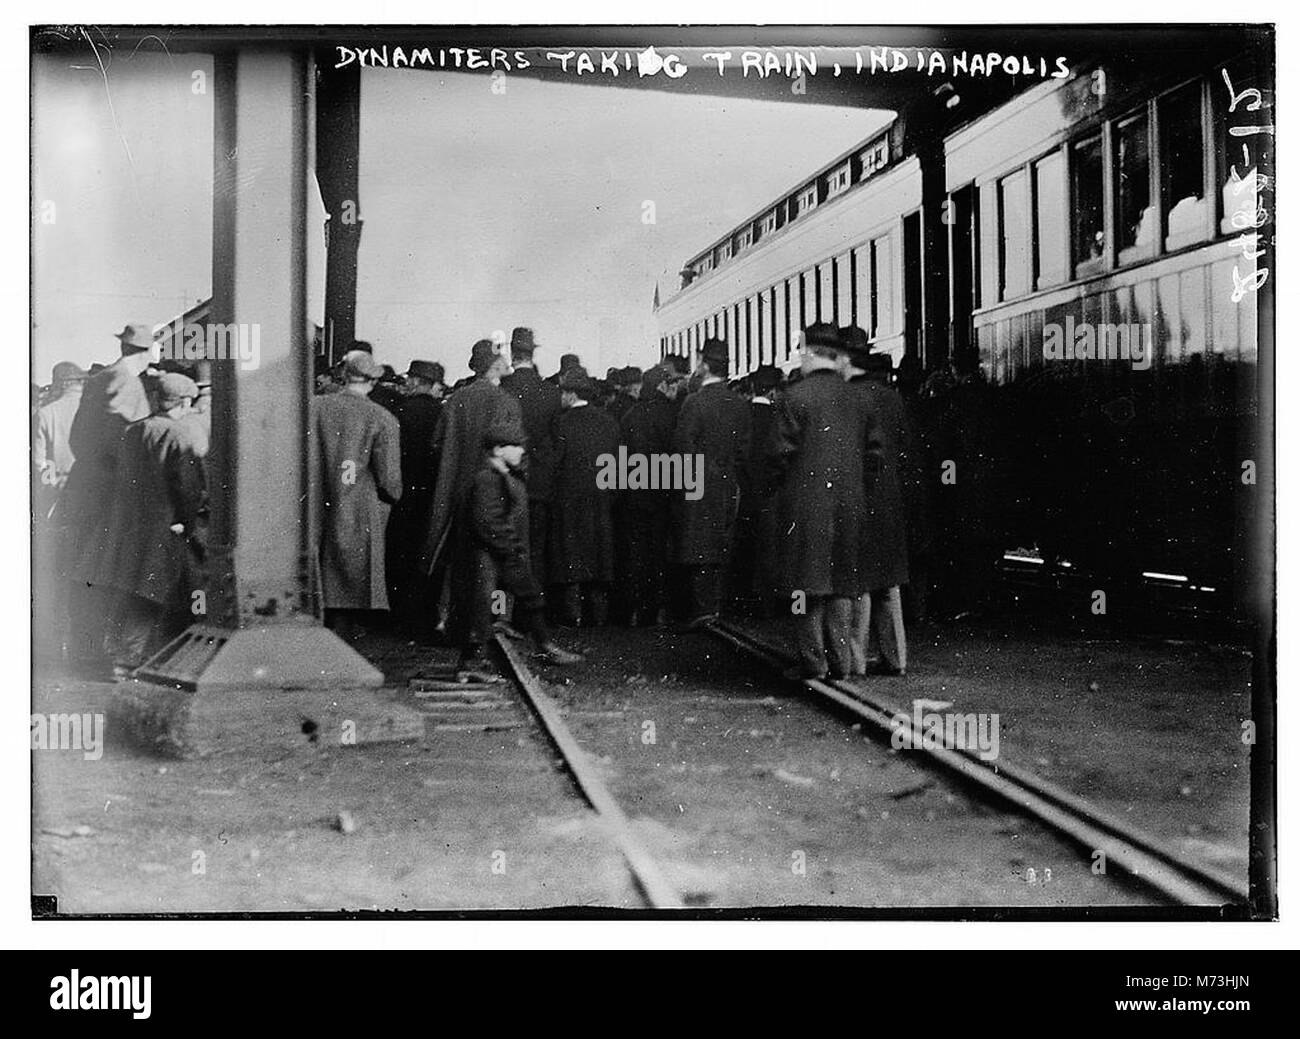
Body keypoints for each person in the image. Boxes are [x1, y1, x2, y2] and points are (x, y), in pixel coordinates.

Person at [766, 324, 883, 679]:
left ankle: (812, 662)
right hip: (851, 506)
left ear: (810, 353)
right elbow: (876, 456)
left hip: (805, 507)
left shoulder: (793, 397)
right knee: (843, 585)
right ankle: (842, 664)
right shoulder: (861, 398)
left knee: (806, 586)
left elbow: (777, 457)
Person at [89, 372, 208, 670]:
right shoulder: (178, 434)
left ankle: (118, 653)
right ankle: (129, 660)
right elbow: (187, 486)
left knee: (130, 589)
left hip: (129, 526)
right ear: (182, 402)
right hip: (163, 526)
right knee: (151, 595)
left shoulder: (133, 431)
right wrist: (187, 522)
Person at [62, 323, 156, 677]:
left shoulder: (99, 380)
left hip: (88, 487)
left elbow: (78, 439)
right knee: (102, 573)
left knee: (85, 572)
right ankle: (95, 658)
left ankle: (85, 653)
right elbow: (126, 438)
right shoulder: (124, 383)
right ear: (145, 353)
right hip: (110, 493)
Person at [458, 415, 585, 676]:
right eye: (515, 446)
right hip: (492, 554)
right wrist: (510, 548)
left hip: (502, 552)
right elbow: (487, 521)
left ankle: (545, 646)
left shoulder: (503, 475)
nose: (521, 450)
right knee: (483, 607)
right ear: (498, 450)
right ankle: (471, 664)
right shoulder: (488, 478)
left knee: (528, 596)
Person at [422, 339, 524, 637]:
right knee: (498, 558)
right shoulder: (507, 402)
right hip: (494, 492)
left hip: (457, 491)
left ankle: (445, 617)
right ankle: (497, 618)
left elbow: (437, 444)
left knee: (456, 558)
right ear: (496, 368)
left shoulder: (455, 400)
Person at [308, 350, 403, 637]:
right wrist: (391, 496)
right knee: (350, 576)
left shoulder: (314, 407)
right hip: (357, 504)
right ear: (373, 381)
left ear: (344, 375)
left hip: (313, 502)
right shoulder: (382, 417)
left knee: (318, 569)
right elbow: (389, 479)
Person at [842, 330, 911, 676]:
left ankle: (855, 660)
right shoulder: (892, 397)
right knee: (889, 583)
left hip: (859, 497)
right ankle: (896, 657)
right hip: (890, 498)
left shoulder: (848, 398)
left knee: (859, 583)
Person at [672, 337, 751, 627]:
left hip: (698, 481)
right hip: (728, 482)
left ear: (704, 366)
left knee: (696, 545)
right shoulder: (740, 403)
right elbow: (744, 450)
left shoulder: (694, 403)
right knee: (721, 542)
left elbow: (683, 447)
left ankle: (701, 610)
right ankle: (716, 607)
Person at [548, 366, 619, 626]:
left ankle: (573, 616)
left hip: (568, 501)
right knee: (599, 558)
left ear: (570, 393)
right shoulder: (608, 422)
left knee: (571, 559)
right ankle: (598, 617)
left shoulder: (561, 423)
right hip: (600, 499)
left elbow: (555, 464)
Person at [33, 362, 89, 661]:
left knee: (58, 572)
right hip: (92, 501)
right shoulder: (94, 411)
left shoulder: (46, 413)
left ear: (58, 383)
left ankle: (57, 645)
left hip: (59, 502)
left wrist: (51, 490)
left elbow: (40, 465)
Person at [500, 327, 562, 587]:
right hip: (538, 484)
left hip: (504, 482)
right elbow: (558, 443)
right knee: (536, 549)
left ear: (512, 354)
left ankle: (502, 611)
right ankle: (534, 611)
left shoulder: (501, 389)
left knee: (504, 548)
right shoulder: (551, 392)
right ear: (532, 353)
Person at [616, 364, 677, 626]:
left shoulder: (630, 415)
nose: (674, 388)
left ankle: (639, 609)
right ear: (661, 386)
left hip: (636, 494)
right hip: (664, 494)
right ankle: (661, 608)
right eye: (670, 384)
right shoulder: (671, 414)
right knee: (661, 552)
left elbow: (621, 458)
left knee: (638, 553)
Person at [386, 359, 444, 631]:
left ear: (415, 382)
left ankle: (397, 615)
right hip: (432, 493)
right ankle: (423, 617)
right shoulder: (441, 414)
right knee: (426, 555)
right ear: (433, 386)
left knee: (400, 553)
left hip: (402, 493)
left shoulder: (399, 411)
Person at [730, 363, 782, 615]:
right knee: (770, 551)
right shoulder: (778, 417)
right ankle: (767, 607)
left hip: (745, 492)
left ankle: (741, 602)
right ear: (773, 391)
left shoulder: (741, 413)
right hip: (771, 494)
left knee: (744, 547)